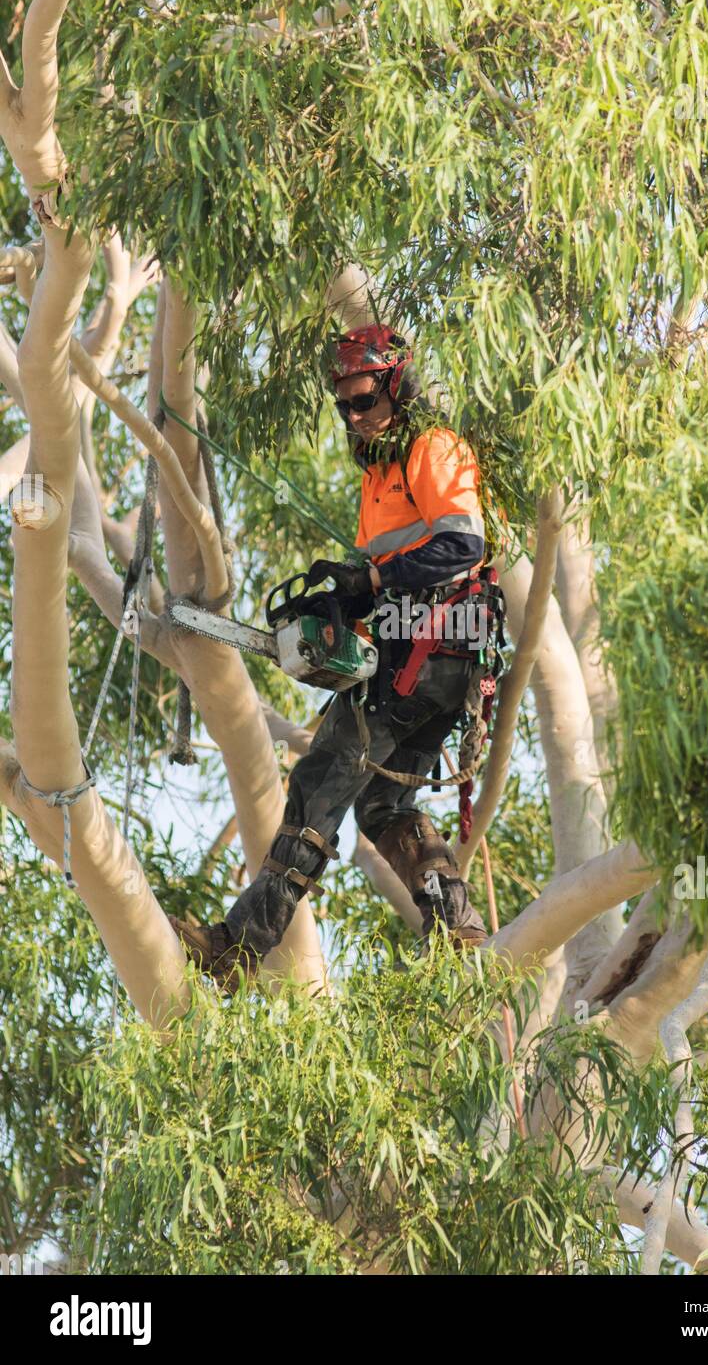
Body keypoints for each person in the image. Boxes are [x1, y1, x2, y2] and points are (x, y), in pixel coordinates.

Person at [171, 326, 499, 991]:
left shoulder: (433, 447)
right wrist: (343, 597)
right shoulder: (378, 477)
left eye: (363, 401)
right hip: (419, 657)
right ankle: (459, 926)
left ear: (397, 388)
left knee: (319, 781)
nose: (353, 416)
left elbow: (463, 546)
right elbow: (387, 577)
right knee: (384, 805)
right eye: (343, 406)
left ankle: (238, 946)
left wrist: (373, 584)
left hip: (434, 651)